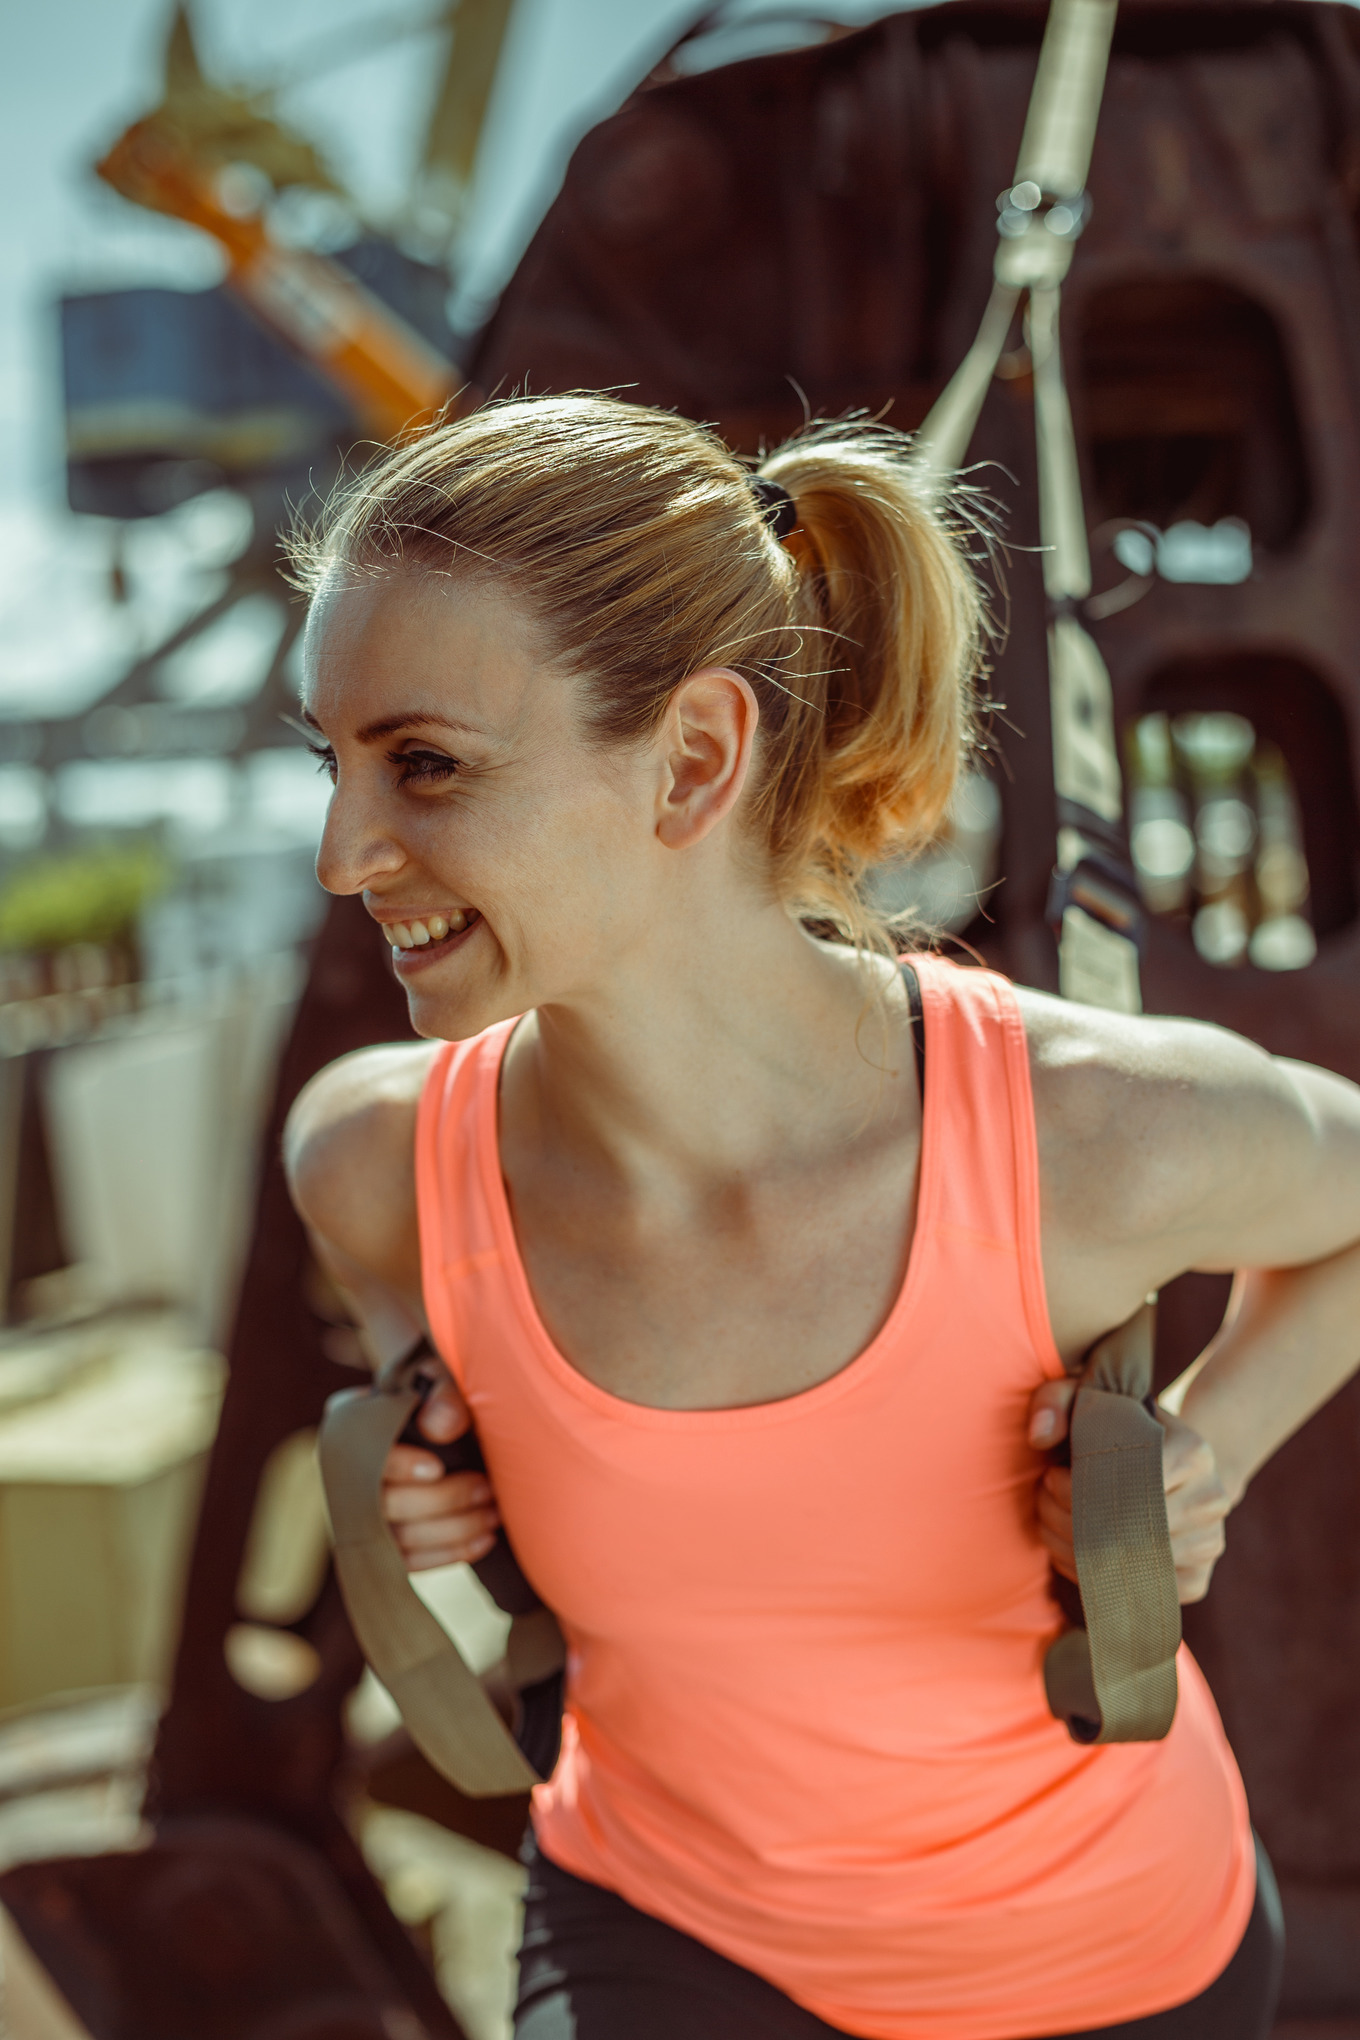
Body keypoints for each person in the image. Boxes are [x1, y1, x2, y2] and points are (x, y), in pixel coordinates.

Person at [283, 393, 1359, 2039]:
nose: (345, 852)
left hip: (1106, 1962)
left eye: (424, 764)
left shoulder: (1094, 1136)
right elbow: (443, 1384)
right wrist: (445, 1444)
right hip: (655, 1924)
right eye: (333, 762)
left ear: (695, 759)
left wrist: (1212, 1443)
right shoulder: (371, 1165)